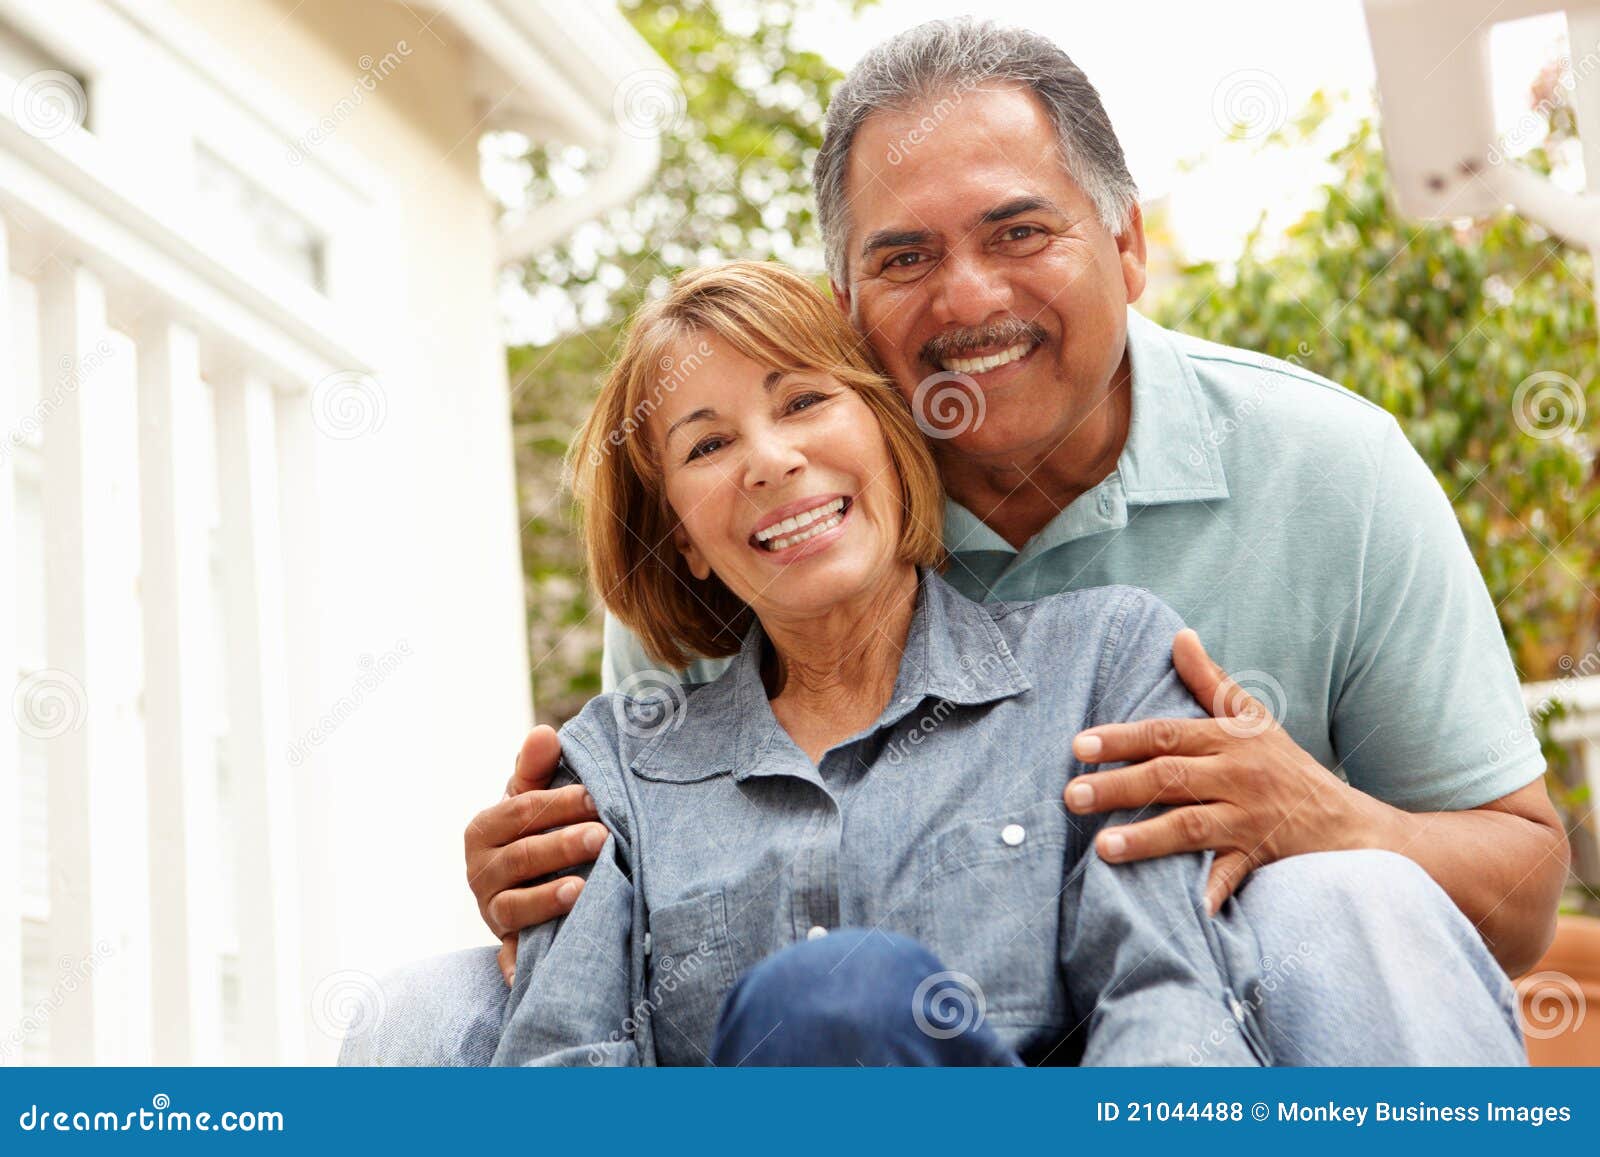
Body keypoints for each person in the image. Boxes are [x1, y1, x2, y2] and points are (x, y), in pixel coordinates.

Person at [465, 23, 1567, 1045]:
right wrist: (555, 888)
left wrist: (1325, 817)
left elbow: (1521, 890)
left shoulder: (1328, 467)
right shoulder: (782, 524)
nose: (968, 296)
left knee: (1342, 893)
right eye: (903, 259)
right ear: (845, 306)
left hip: (1234, 1054)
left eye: (1020, 230)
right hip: (858, 1064)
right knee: (445, 1004)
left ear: (1127, 244)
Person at [342, 263, 1526, 1067]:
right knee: (421, 1006)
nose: (768, 460)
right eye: (706, 446)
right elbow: (570, 1060)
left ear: (890, 441)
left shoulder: (1101, 658)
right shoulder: (618, 760)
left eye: (803, 401)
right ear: (685, 543)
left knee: (846, 997)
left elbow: (1164, 994)